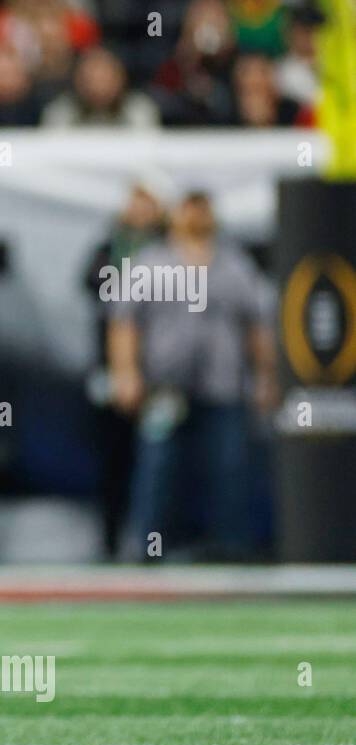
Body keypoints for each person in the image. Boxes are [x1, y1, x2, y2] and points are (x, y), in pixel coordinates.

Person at [107, 192, 277, 561]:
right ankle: (147, 549)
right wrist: (125, 373)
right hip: (164, 386)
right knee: (158, 467)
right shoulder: (150, 263)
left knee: (230, 467)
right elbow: (125, 324)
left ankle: (232, 549)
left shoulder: (234, 265)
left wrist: (265, 375)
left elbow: (257, 326)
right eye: (190, 209)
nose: (196, 217)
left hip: (223, 384)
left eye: (203, 209)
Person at [82, 177, 169, 558]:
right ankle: (111, 542)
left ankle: (155, 545)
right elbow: (90, 284)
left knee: (159, 467)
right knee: (112, 461)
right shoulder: (109, 247)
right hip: (113, 369)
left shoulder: (170, 250)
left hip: (161, 371)